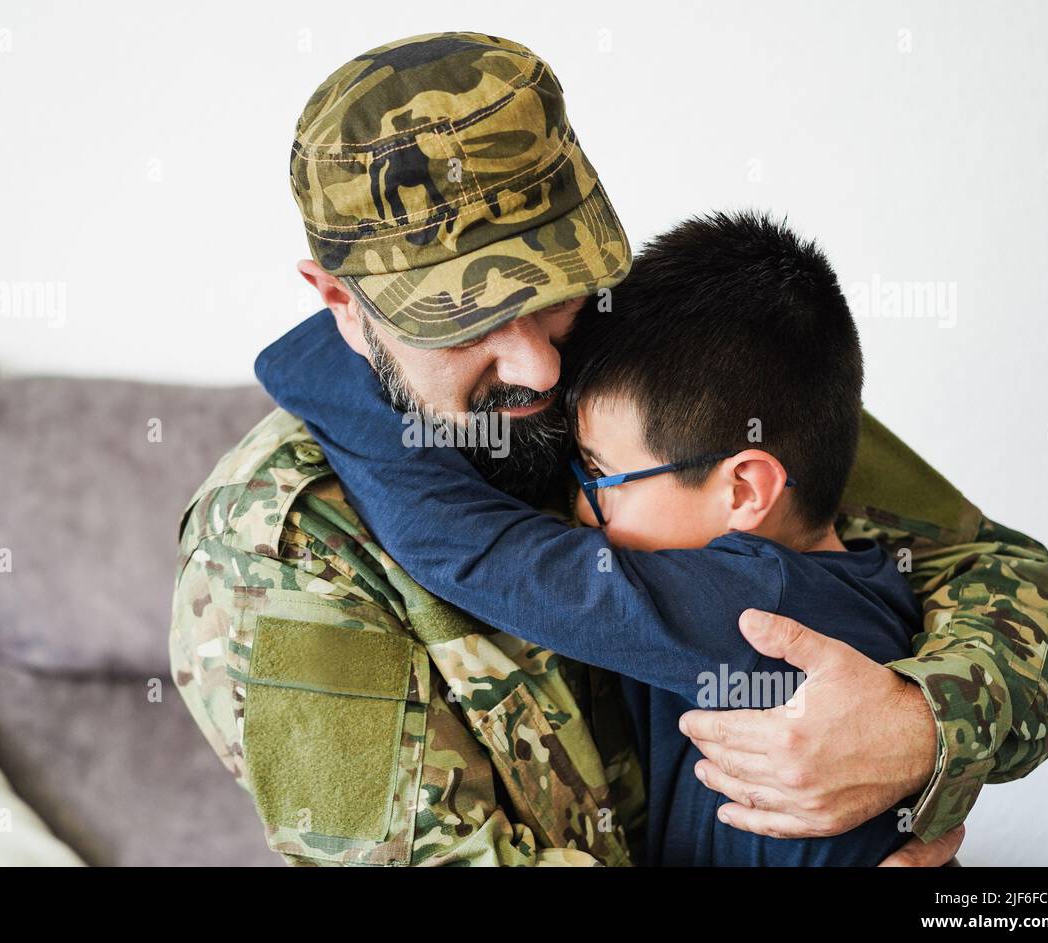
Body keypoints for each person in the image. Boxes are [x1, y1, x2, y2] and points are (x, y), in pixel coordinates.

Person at [168, 31, 1048, 866]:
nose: (535, 363)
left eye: (552, 290)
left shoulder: (646, 369)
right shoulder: (277, 545)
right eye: (466, 321)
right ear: (337, 301)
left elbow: (1003, 576)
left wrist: (921, 727)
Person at [256, 210, 940, 865]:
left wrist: (332, 356)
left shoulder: (764, 617)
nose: (580, 510)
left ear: (743, 491)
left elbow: (476, 551)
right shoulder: (859, 585)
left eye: (603, 476)